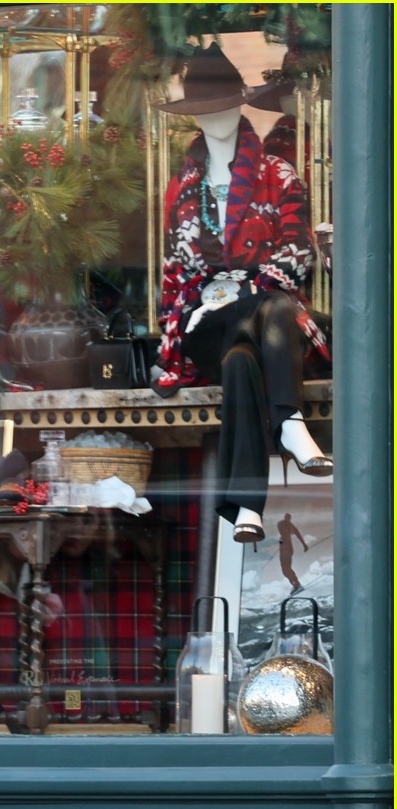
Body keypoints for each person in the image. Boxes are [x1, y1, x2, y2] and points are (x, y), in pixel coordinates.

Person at [153, 45, 332, 546]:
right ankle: (291, 425)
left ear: (241, 106)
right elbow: (175, 268)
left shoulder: (277, 175)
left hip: (265, 318)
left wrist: (248, 285)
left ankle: (246, 507)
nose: (217, 119)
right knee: (258, 317)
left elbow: (298, 253)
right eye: (205, 111)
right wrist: (178, 330)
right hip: (207, 318)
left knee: (242, 359)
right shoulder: (183, 186)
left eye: (226, 107)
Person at [278, 511, 308, 593]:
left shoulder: (281, 524)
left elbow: (287, 535)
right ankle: (296, 584)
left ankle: (296, 585)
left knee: (285, 569)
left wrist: (304, 545)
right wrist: (304, 545)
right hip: (287, 548)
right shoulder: (288, 525)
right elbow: (297, 535)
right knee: (286, 568)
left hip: (285, 548)